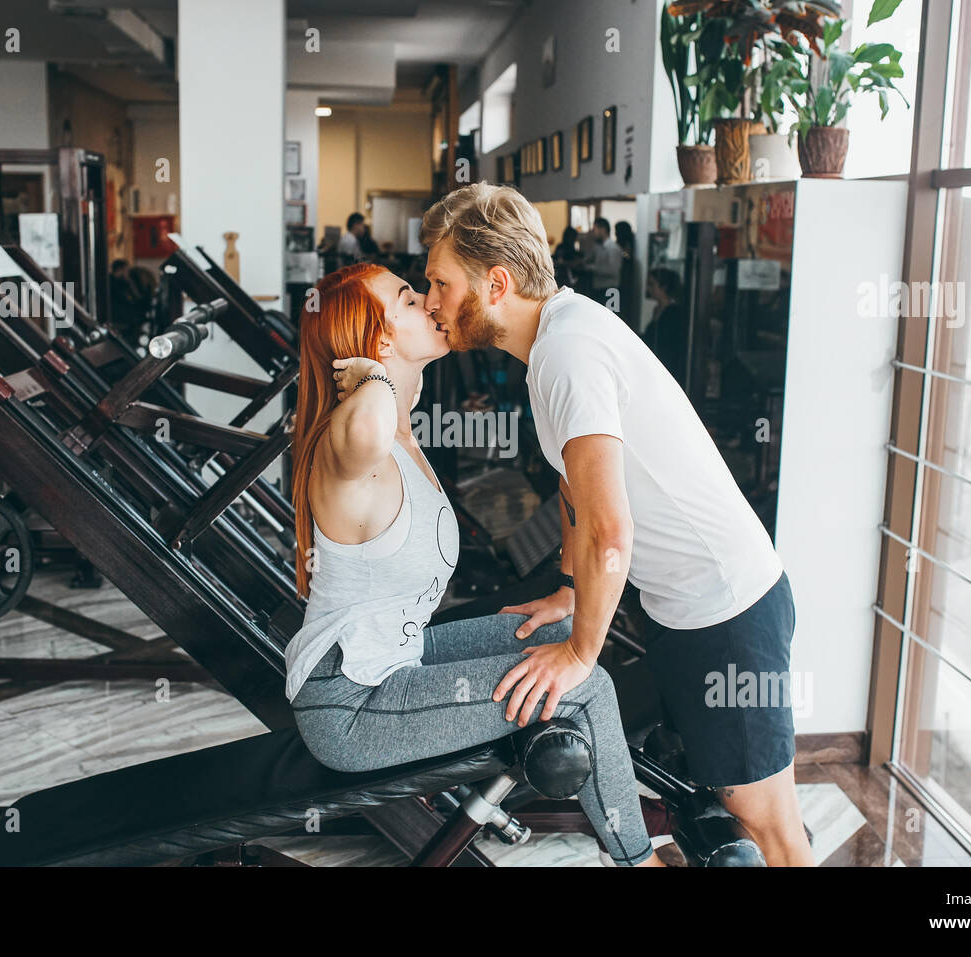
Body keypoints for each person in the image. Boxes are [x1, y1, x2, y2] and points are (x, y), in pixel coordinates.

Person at [419, 183, 813, 866]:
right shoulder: (554, 341)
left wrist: (578, 651)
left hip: (729, 606)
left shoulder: (568, 354)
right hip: (685, 607)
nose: (430, 301)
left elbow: (610, 530)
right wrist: (571, 589)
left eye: (440, 283)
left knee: (767, 819)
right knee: (728, 804)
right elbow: (577, 494)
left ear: (495, 283)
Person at [284, 261, 663, 867]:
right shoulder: (354, 438)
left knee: (556, 635)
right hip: (353, 702)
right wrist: (378, 376)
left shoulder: (401, 435)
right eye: (409, 300)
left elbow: (385, 418)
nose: (429, 303)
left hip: (396, 660)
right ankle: (637, 860)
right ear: (379, 341)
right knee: (585, 686)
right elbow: (366, 428)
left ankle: (616, 785)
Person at [642, 267, 687, 383]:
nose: (648, 289)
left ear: (663, 287)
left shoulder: (673, 312)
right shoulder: (657, 309)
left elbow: (670, 345)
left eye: (652, 285)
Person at [581, 217, 622, 308]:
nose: (593, 232)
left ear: (602, 229)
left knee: (610, 319)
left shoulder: (613, 248)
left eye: (595, 229)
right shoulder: (598, 247)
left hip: (610, 290)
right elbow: (587, 259)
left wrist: (591, 267)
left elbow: (612, 271)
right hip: (599, 289)